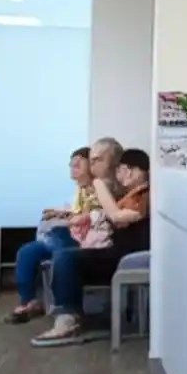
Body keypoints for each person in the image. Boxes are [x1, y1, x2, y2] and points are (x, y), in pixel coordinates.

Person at [33, 148, 151, 347]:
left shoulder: (143, 194)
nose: (118, 174)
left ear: (131, 170)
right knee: (63, 253)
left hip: (123, 257)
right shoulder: (129, 194)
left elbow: (116, 216)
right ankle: (67, 313)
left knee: (66, 258)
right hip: (114, 252)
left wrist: (97, 184)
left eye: (121, 170)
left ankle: (68, 318)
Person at [3, 138, 124, 324]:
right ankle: (29, 301)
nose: (74, 169)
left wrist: (73, 219)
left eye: (80, 164)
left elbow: (103, 215)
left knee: (58, 238)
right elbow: (79, 212)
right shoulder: (82, 190)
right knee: (27, 251)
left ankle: (65, 312)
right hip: (73, 236)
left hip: (84, 241)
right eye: (72, 165)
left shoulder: (105, 186)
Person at [35, 147, 98, 249]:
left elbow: (89, 215)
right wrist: (60, 213)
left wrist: (67, 217)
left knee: (57, 230)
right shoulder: (80, 188)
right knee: (29, 250)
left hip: (85, 237)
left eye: (77, 166)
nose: (72, 171)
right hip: (77, 231)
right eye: (71, 166)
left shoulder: (98, 188)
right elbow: (77, 210)